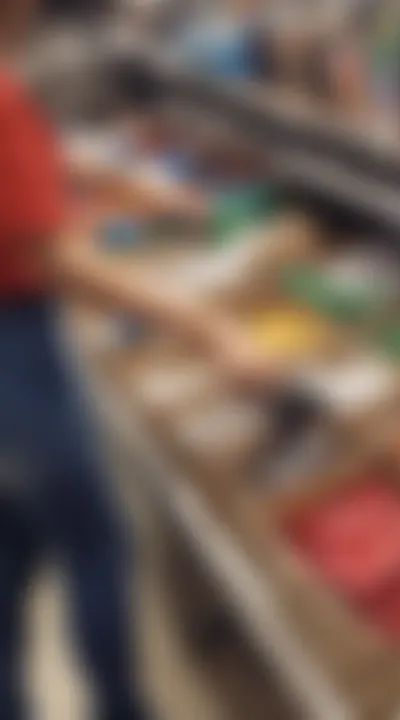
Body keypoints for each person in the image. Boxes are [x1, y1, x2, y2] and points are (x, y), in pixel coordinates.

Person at [0, 1, 268, 718]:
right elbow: (52, 258)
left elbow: (28, 173)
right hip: (13, 351)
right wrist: (209, 326)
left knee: (12, 546)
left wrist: (131, 187)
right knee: (97, 545)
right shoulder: (2, 97)